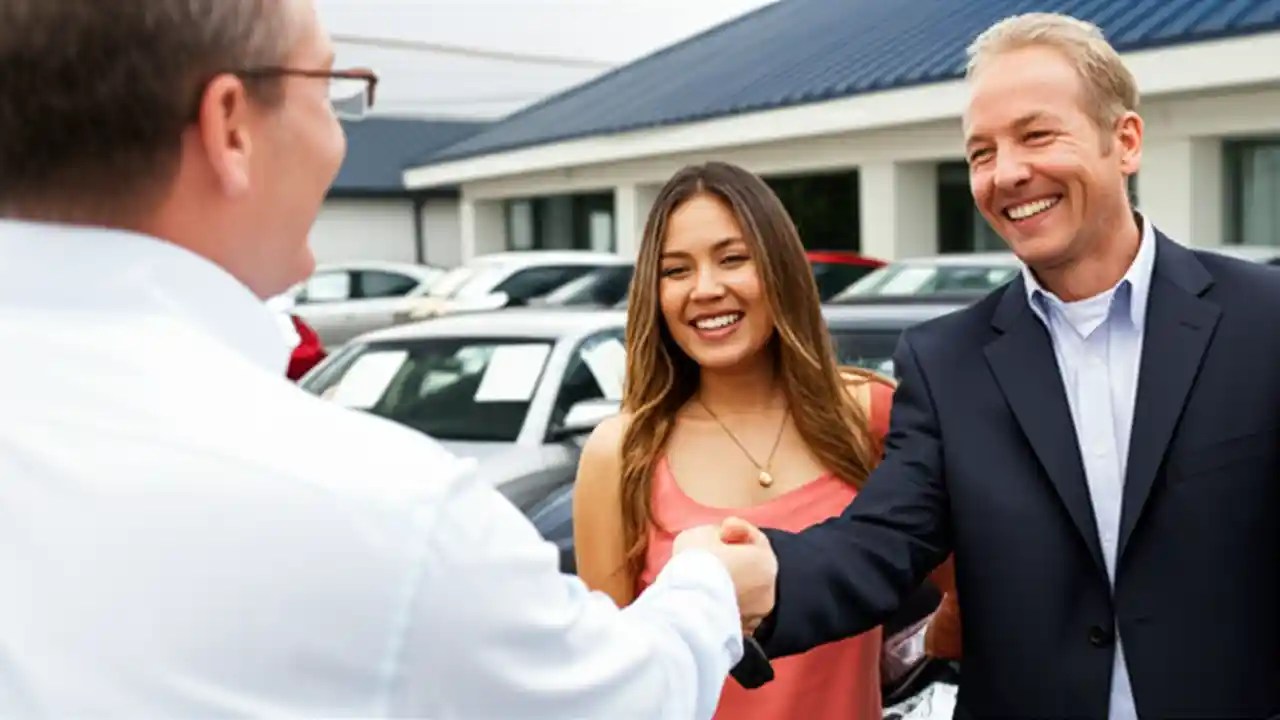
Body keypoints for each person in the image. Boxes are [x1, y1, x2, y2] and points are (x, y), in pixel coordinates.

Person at [0, 1, 776, 717]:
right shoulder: (385, 513)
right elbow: (619, 700)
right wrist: (708, 589)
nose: (342, 135)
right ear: (231, 127)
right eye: (331, 90)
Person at [726, 11, 1280, 719]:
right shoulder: (945, 362)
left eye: (1037, 135)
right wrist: (767, 576)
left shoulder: (1263, 320)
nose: (1007, 174)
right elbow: (882, 540)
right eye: (981, 152)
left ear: (1126, 141)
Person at [572, 161, 960, 719]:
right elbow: (612, 685)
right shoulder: (622, 453)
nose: (706, 289)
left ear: (779, 267)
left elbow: (974, 588)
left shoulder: (869, 416)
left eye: (733, 259)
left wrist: (918, 649)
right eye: (676, 270)